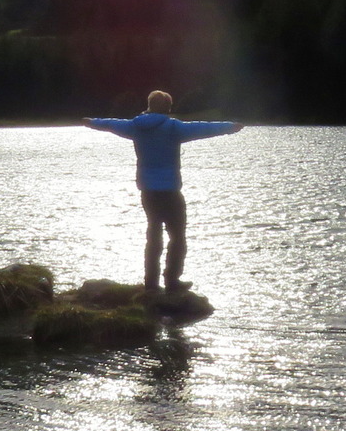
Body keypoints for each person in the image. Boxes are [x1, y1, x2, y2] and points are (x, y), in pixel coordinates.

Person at [85, 90, 241, 293]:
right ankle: (172, 281)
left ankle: (151, 283)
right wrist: (230, 127)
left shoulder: (135, 126)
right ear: (168, 108)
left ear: (149, 105)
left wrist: (90, 121)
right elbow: (203, 128)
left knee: (153, 234)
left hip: (148, 191)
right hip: (170, 191)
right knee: (177, 237)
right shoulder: (173, 127)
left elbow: (110, 123)